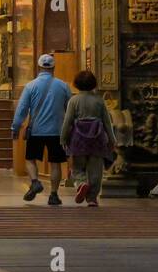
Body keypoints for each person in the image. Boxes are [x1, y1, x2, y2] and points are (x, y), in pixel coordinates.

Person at [11, 54, 72, 205]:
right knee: (55, 163)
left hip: (36, 130)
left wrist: (16, 127)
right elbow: (70, 108)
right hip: (57, 131)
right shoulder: (63, 86)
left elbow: (22, 109)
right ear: (53, 68)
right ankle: (54, 195)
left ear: (38, 68)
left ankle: (35, 181)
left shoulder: (30, 86)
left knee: (30, 159)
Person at [61, 70, 117, 208]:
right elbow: (107, 122)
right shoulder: (99, 100)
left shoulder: (73, 100)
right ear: (93, 84)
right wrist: (112, 139)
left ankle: (81, 183)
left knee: (77, 167)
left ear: (77, 84)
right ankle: (92, 198)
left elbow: (67, 121)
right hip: (97, 138)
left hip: (78, 139)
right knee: (96, 169)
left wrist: (63, 139)